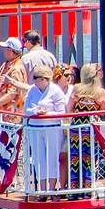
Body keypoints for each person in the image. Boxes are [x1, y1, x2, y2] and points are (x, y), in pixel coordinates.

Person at [23, 63, 67, 192]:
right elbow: (26, 109)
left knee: (52, 158)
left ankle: (52, 189)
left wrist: (46, 114)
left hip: (52, 128)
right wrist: (35, 112)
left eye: (36, 77)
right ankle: (42, 190)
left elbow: (61, 112)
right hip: (35, 128)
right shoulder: (32, 90)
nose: (34, 80)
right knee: (38, 158)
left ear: (44, 79)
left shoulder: (56, 90)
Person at [67, 63, 105, 189]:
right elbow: (102, 109)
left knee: (75, 159)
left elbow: (69, 110)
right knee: (90, 160)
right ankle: (89, 188)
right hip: (91, 130)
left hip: (76, 129)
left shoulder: (76, 88)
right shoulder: (100, 91)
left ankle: (74, 188)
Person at [0, 37, 28, 117]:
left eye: (6, 49)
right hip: (2, 112)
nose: (4, 51)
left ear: (11, 51)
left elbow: (13, 93)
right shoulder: (7, 64)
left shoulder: (16, 68)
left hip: (10, 114)